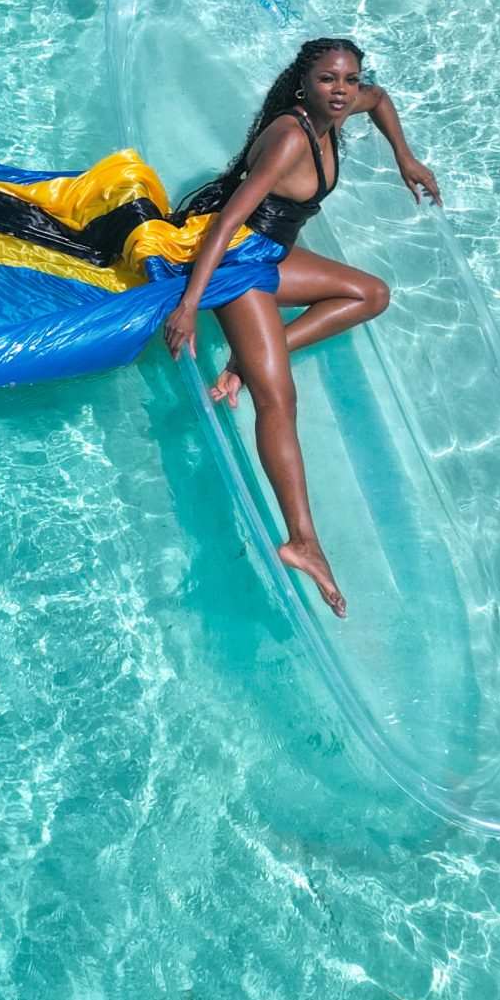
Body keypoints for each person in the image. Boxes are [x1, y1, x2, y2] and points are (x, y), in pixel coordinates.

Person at [156, 37, 440, 619]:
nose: (343, 91)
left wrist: (404, 159)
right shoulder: (289, 137)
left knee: (370, 293)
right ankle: (302, 540)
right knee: (278, 398)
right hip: (238, 261)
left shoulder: (346, 105)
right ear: (302, 83)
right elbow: (229, 219)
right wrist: (188, 304)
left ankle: (252, 359)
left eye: (350, 79)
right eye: (330, 80)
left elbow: (381, 100)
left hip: (272, 254)